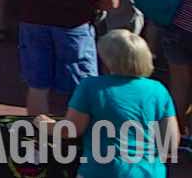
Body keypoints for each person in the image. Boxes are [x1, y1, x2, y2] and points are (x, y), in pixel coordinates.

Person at [65, 29, 177, 178]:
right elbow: (170, 143)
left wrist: (44, 124)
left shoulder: (90, 86)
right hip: (150, 173)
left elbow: (70, 130)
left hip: (103, 172)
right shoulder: (158, 89)